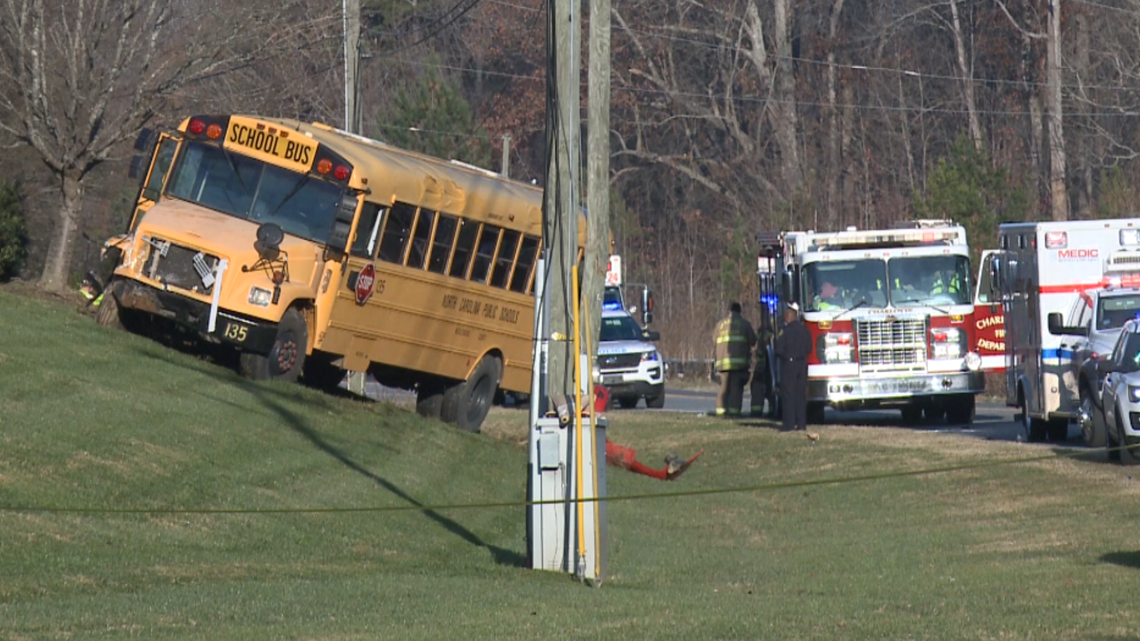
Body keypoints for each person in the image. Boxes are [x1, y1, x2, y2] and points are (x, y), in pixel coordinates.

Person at [713, 301, 756, 417]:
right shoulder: (745, 324)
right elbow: (753, 341)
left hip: (722, 364)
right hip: (739, 364)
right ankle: (734, 412)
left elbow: (714, 341)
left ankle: (720, 411)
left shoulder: (720, 325)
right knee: (736, 389)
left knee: (723, 388)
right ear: (739, 311)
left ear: (729, 311)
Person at [775, 302, 812, 431]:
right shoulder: (805, 331)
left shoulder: (785, 331)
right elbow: (809, 348)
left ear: (790, 315)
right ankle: (801, 424)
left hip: (789, 365)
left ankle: (789, 425)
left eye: (786, 314)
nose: (785, 317)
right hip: (802, 364)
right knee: (800, 395)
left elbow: (778, 349)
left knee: (788, 394)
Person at [749, 328, 773, 418]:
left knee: (757, 388)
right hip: (769, 365)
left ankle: (756, 411)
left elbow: (759, 350)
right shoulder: (771, 333)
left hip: (762, 366)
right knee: (769, 388)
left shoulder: (763, 334)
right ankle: (771, 410)